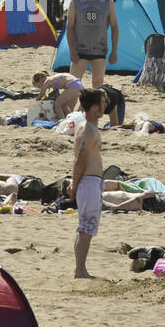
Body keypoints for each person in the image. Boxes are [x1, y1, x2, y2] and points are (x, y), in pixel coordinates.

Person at [70, 88, 106, 279]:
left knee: (87, 228)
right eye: (102, 102)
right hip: (88, 182)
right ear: (94, 107)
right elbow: (80, 160)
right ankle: (80, 271)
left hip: (91, 182)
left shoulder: (89, 127)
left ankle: (81, 269)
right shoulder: (88, 129)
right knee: (86, 228)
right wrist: (74, 185)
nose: (105, 105)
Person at [66, 0, 119, 87]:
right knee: (73, 85)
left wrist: (114, 51)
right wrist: (72, 51)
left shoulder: (107, 2)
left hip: (99, 50)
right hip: (80, 51)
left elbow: (114, 27)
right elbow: (69, 28)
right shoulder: (75, 2)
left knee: (98, 86)